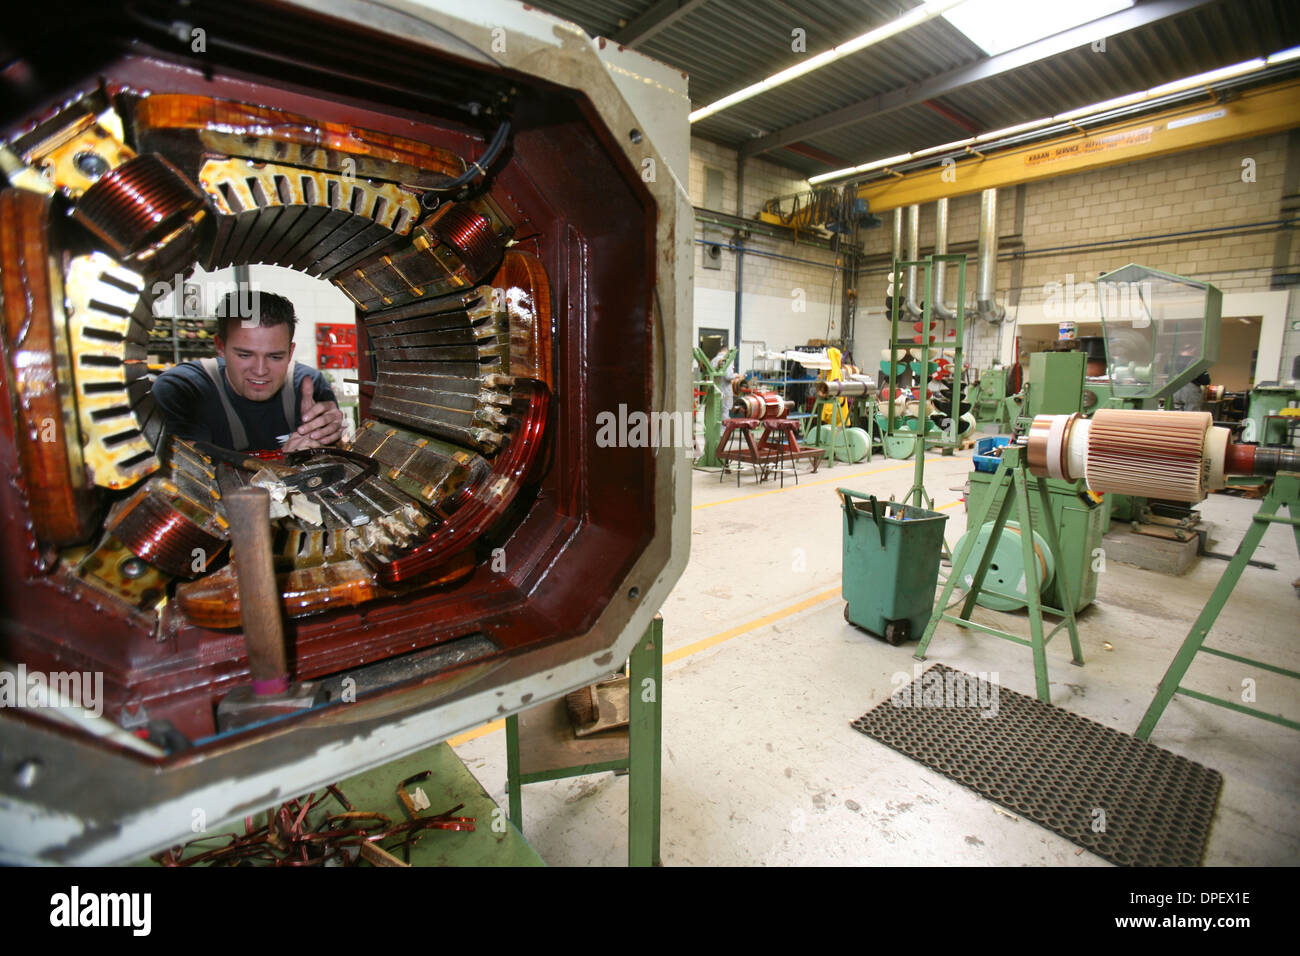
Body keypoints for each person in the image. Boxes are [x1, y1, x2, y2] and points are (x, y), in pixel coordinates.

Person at [151, 290, 346, 453]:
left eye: (275, 357)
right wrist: (283, 460)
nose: (260, 371)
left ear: (290, 352)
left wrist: (329, 440)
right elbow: (188, 470)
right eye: (244, 355)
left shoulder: (310, 386)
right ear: (220, 346)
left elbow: (334, 461)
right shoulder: (182, 389)